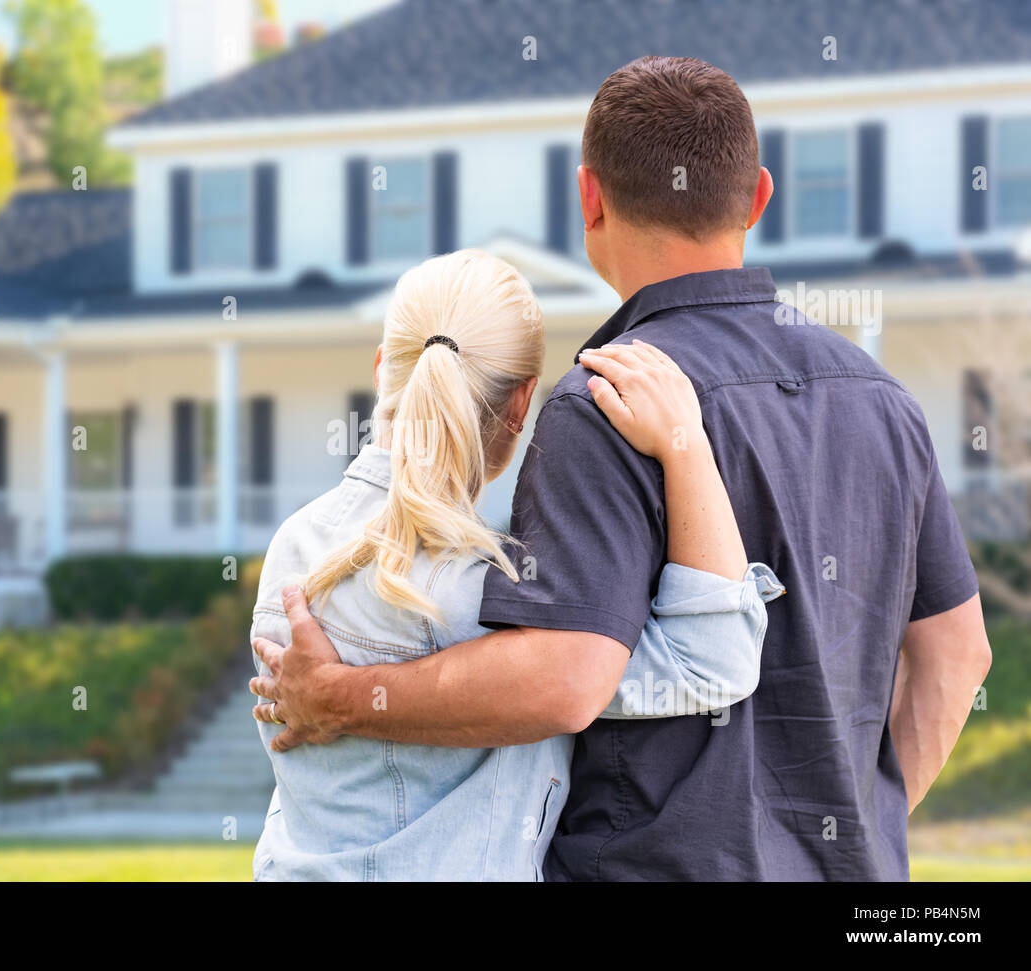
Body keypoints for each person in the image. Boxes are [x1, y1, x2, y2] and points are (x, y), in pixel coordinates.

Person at [251, 56, 991, 881]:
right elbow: (958, 655)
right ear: (758, 199)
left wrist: (348, 696)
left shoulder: (602, 401)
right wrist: (852, 829)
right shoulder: (885, 402)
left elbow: (564, 675)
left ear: (589, 199)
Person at [250, 248, 781, 881]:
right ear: (523, 404)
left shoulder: (293, 545)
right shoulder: (493, 593)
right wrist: (684, 445)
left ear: (379, 369)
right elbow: (711, 658)